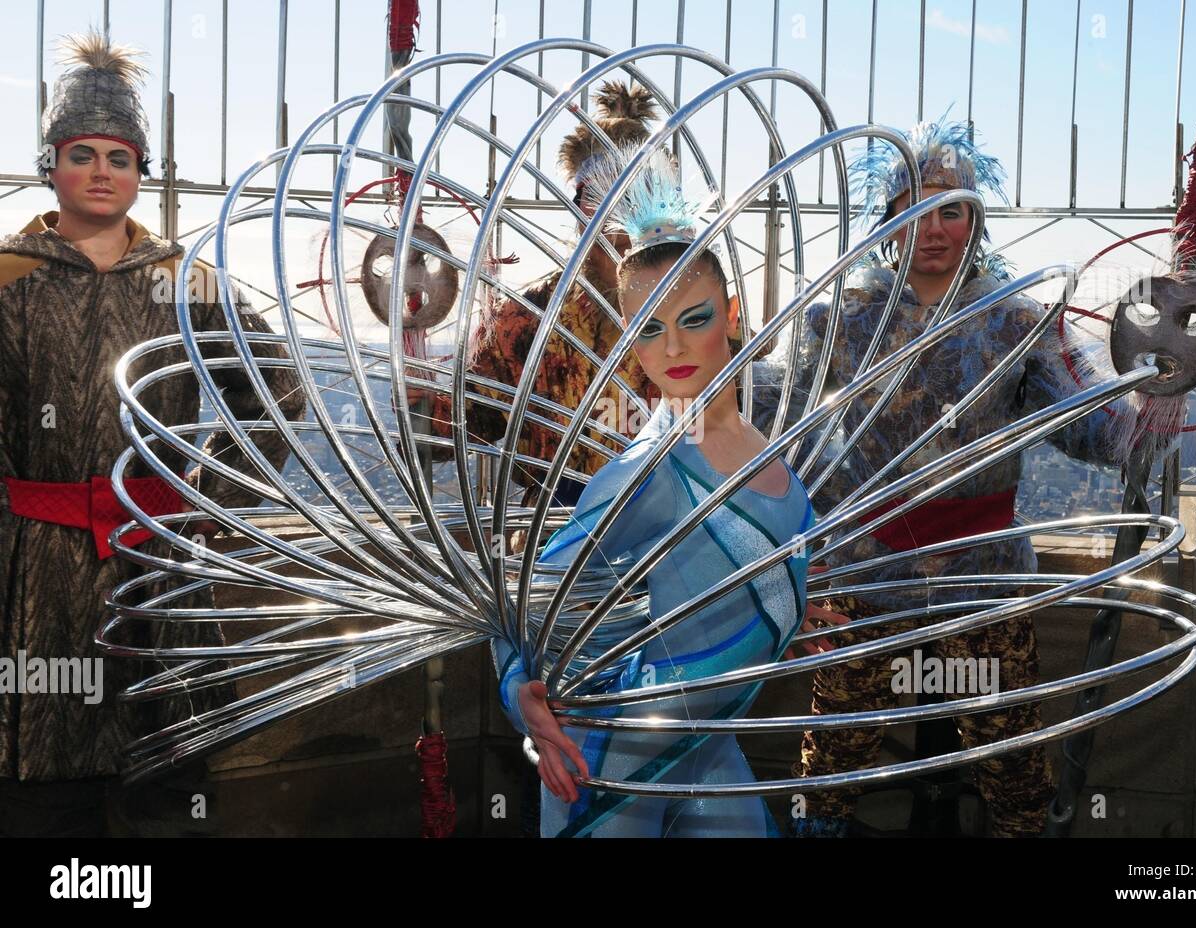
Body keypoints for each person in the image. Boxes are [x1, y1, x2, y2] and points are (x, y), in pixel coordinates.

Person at [754, 117, 1115, 838]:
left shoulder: (1016, 323)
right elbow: (774, 412)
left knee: (1010, 755)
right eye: (914, 207)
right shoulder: (839, 320)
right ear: (887, 220)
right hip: (863, 574)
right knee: (834, 759)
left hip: (981, 579)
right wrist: (693, 384)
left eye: (951, 209)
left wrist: (1153, 385)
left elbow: (1088, 430)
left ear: (975, 221)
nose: (933, 227)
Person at [0, 32, 303, 836]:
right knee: (42, 772)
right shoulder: (7, 275)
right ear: (51, 163)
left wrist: (218, 493)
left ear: (142, 171)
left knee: (167, 774)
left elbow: (276, 385)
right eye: (82, 151)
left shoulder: (187, 279)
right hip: (36, 565)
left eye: (122, 156)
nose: (103, 170)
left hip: (158, 555)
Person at [488, 147, 840, 838]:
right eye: (648, 328)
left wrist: (783, 614)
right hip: (612, 768)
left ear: (733, 314)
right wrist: (515, 690)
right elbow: (522, 596)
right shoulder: (650, 469)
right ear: (630, 344)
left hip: (711, 753)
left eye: (694, 317)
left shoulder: (773, 455)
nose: (672, 344)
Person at [423, 80, 663, 509]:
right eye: (607, 205)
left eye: (640, 200)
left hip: (676, 533)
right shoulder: (529, 317)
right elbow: (470, 419)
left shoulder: (695, 312)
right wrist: (421, 406)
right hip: (554, 534)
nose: (623, 229)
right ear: (580, 213)